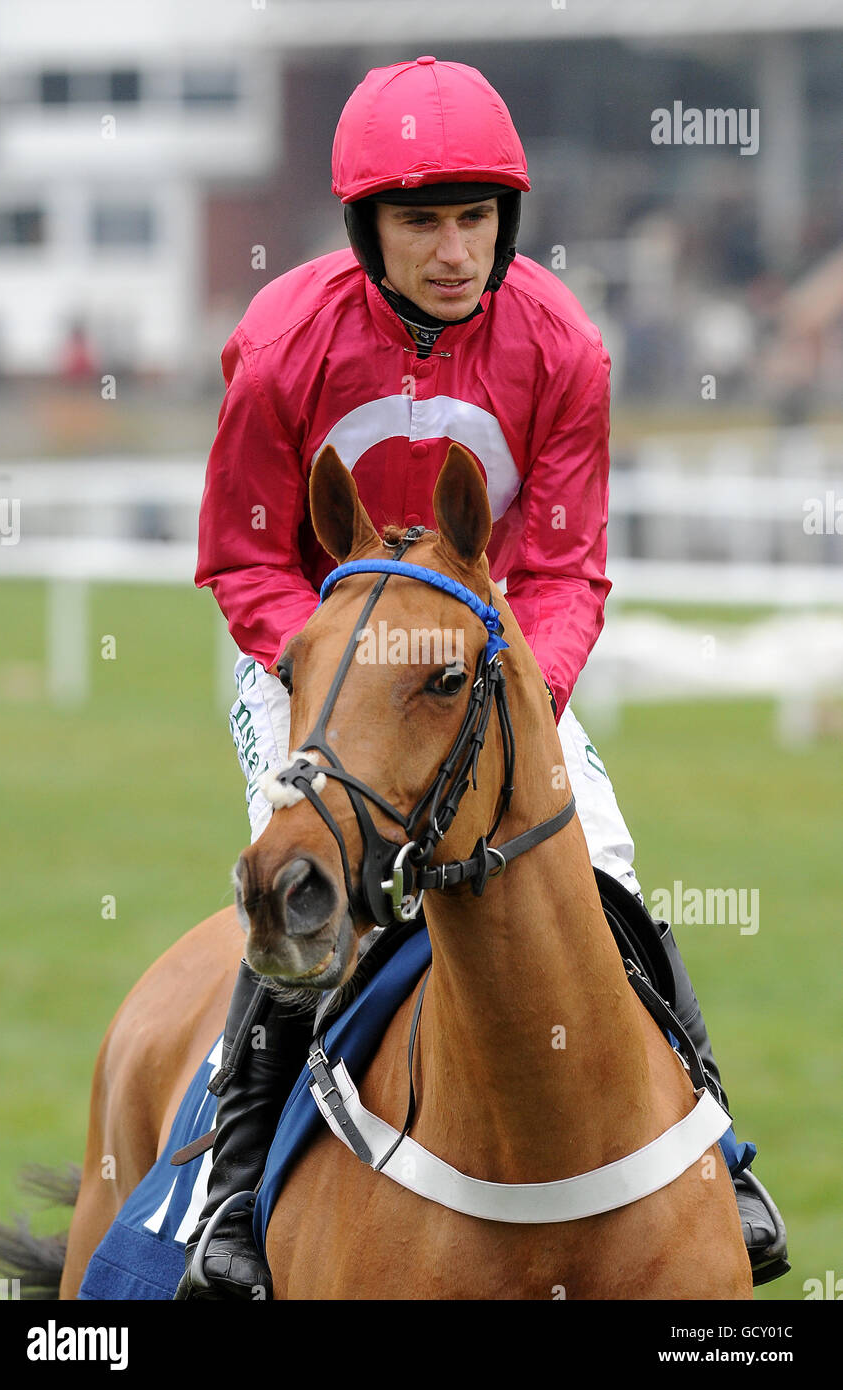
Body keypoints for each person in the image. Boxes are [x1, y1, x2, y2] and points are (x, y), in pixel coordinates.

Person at [178, 57, 788, 1299]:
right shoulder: (286, 342)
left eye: (474, 219)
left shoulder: (560, 342)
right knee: (307, 884)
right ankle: (234, 1194)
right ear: (366, 230)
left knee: (601, 869)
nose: (452, 250)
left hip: (485, 676)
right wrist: (344, 680)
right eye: (420, 222)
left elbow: (564, 571)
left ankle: (715, 1154)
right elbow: (241, 554)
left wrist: (519, 699)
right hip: (313, 660)